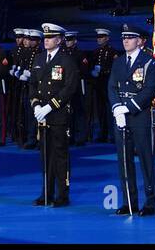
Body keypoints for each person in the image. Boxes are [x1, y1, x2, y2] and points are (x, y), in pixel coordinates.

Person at [109, 26, 155, 215]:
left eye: (130, 38)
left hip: (140, 116)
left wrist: (128, 107)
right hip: (121, 117)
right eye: (124, 38)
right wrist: (117, 108)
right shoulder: (119, 62)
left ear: (139, 40)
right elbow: (112, 87)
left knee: (146, 159)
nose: (126, 41)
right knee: (124, 160)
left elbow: (149, 90)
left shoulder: (149, 62)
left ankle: (150, 202)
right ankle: (129, 201)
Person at [30, 23, 79, 207]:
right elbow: (33, 84)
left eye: (50, 38)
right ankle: (46, 192)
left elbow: (69, 88)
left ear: (59, 40)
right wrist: (35, 105)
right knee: (45, 156)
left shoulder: (66, 60)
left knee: (60, 155)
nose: (46, 40)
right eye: (45, 37)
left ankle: (62, 194)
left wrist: (50, 106)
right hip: (41, 116)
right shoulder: (40, 58)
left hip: (58, 115)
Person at [87, 27, 118, 143]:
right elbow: (90, 65)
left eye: (101, 37)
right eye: (98, 37)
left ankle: (112, 134)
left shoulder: (112, 51)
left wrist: (104, 70)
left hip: (108, 83)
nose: (99, 39)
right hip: (98, 84)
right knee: (100, 110)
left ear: (107, 38)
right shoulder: (95, 52)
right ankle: (103, 133)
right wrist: (92, 71)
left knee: (110, 110)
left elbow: (115, 67)